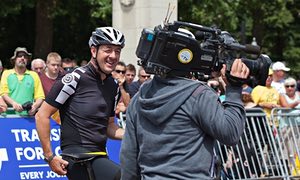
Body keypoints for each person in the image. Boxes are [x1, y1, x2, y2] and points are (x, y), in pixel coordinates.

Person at [120, 57, 250, 179]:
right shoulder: (199, 95)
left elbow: (129, 156)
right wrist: (234, 88)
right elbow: (230, 132)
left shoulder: (139, 98)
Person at [35, 26, 125, 180]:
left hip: (100, 155)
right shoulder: (74, 78)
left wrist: (132, 134)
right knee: (125, 177)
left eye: (117, 51)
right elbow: (41, 115)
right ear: (93, 51)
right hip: (77, 157)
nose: (113, 55)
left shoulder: (114, 86)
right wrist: (50, 157)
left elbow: (109, 126)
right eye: (108, 50)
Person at [0, 47, 45, 116]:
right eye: (19, 56)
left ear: (27, 60)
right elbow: (3, 93)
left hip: (28, 117)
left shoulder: (34, 75)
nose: (22, 58)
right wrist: (13, 103)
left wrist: (35, 106)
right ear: (14, 59)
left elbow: (40, 96)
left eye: (25, 57)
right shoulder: (6, 73)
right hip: (9, 116)